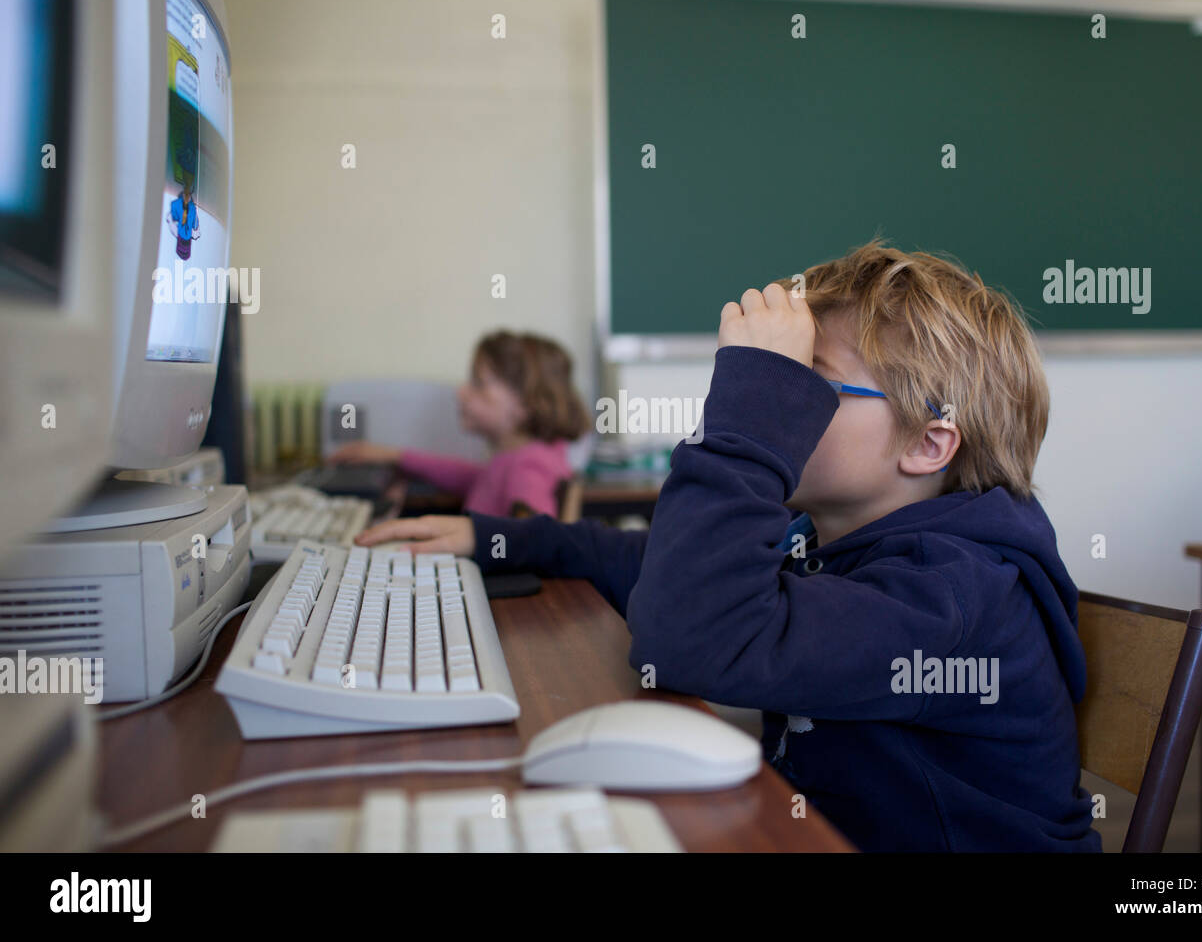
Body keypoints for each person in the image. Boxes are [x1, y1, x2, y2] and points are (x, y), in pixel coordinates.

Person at [357, 240, 1101, 852]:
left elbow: (694, 635)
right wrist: (495, 537)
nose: (787, 403)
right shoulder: (832, 540)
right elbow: (653, 564)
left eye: (811, 383)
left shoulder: (955, 594)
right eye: (787, 386)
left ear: (926, 444)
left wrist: (752, 415)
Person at [330, 331, 587, 519]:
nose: (461, 392)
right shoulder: (522, 458)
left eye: (478, 383)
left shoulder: (527, 467)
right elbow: (473, 477)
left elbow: (538, 541)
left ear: (525, 404)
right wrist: (397, 457)